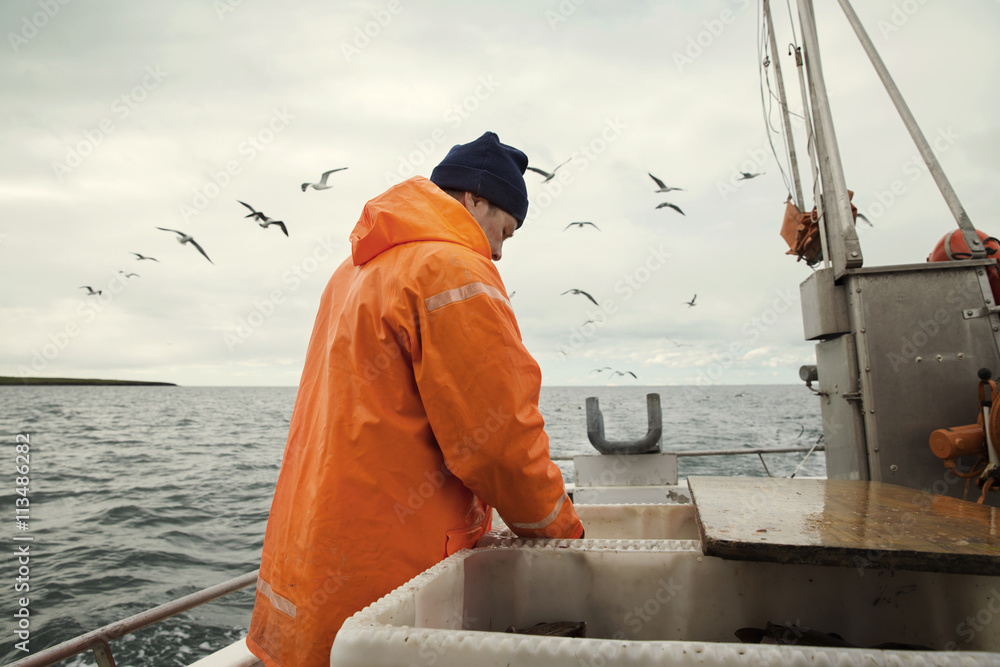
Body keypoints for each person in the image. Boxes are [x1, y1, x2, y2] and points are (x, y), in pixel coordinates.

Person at [246, 131, 584, 667]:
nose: (498, 249)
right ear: (475, 198)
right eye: (506, 229)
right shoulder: (452, 268)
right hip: (391, 581)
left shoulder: (352, 272)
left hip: (314, 568)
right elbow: (497, 441)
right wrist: (562, 530)